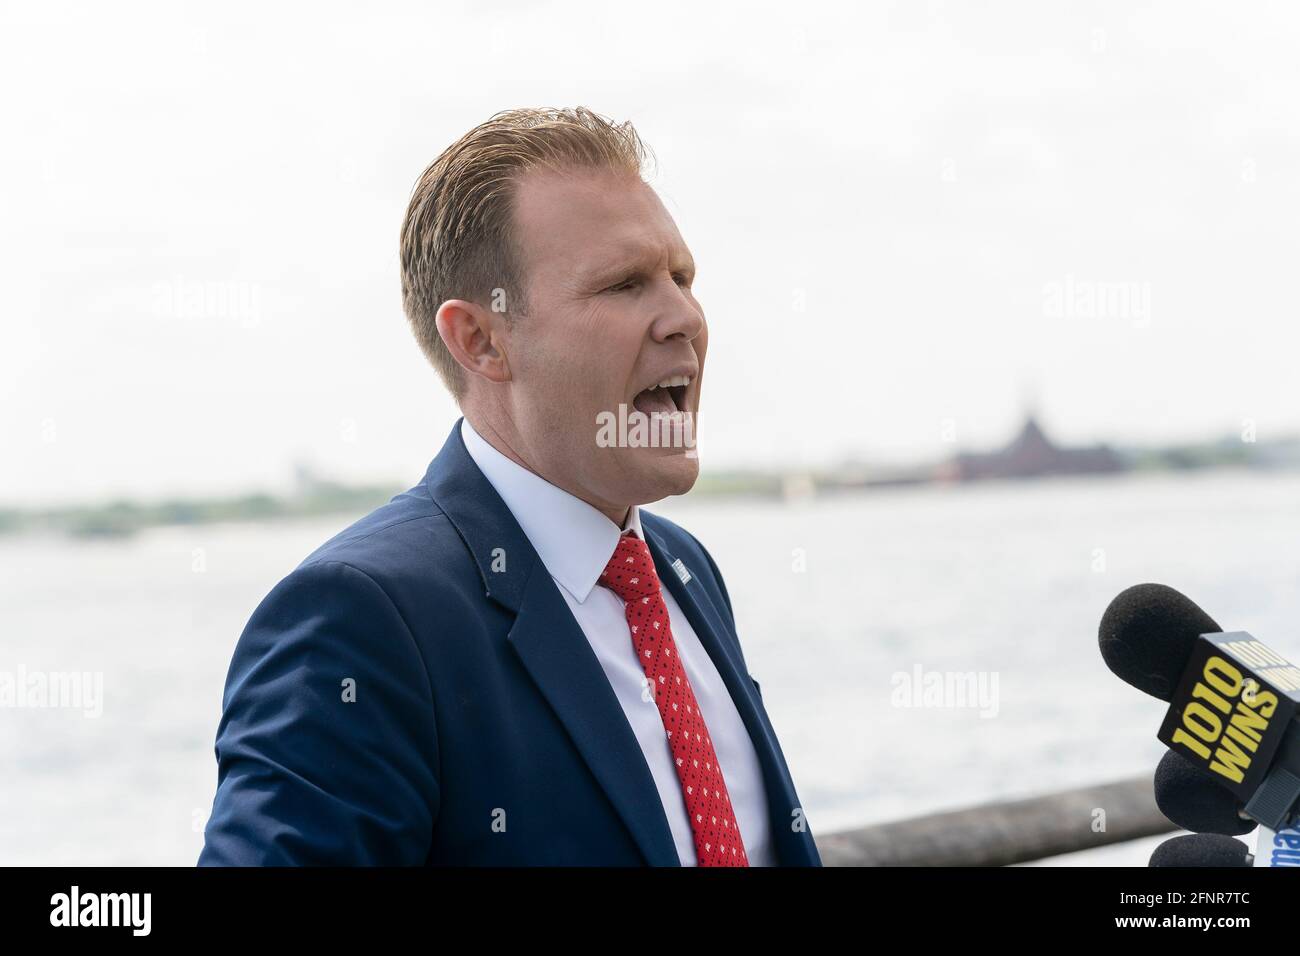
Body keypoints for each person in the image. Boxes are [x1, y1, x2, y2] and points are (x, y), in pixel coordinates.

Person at [198, 107, 821, 866]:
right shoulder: (360, 618)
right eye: (625, 284)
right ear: (482, 340)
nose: (684, 316)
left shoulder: (683, 569)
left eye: (682, 278)